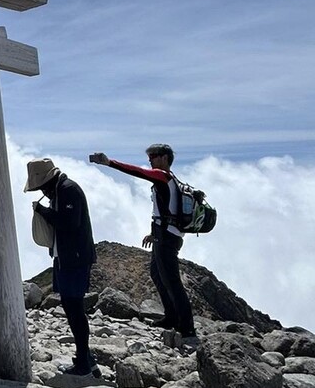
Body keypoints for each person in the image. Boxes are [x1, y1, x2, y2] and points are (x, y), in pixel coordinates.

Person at [89, 144, 196, 340]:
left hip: (167, 238)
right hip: (163, 235)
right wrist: (152, 233)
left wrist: (109, 162)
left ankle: (187, 327)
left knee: (172, 282)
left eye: (154, 156)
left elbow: (137, 172)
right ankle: (171, 317)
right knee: (157, 274)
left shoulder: (163, 177)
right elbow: (164, 210)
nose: (150, 160)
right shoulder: (168, 181)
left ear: (164, 158)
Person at [25, 157, 97, 375]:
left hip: (74, 259)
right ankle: (85, 358)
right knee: (71, 308)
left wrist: (43, 211)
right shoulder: (61, 190)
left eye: (41, 188)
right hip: (66, 257)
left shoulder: (68, 190)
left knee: (74, 309)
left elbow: (69, 223)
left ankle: (84, 361)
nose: (42, 192)